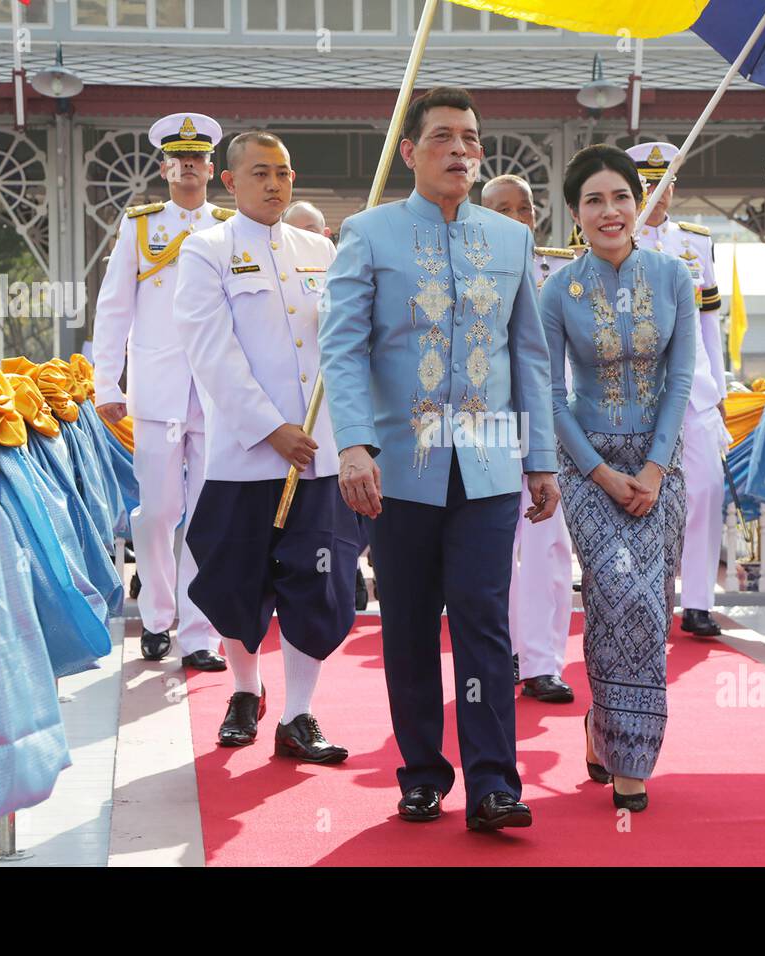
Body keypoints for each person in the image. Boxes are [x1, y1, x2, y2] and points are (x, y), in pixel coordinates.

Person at [319, 87, 560, 831]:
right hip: (400, 460)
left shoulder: (511, 241)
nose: (461, 151)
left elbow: (530, 355)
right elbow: (343, 348)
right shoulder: (367, 234)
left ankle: (495, 783)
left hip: (488, 461)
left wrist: (541, 457)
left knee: (484, 617)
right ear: (410, 151)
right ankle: (422, 771)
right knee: (411, 622)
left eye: (472, 139)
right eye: (444, 137)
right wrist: (354, 445)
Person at [174, 130, 358, 762]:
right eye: (259, 173)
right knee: (237, 581)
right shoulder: (206, 251)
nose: (275, 184)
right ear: (230, 182)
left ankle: (299, 714)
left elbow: (344, 342)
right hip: (246, 455)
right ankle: (245, 692)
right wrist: (269, 428)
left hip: (317, 454)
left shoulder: (321, 250)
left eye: (282, 172)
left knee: (318, 584)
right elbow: (211, 352)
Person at [541, 144, 696, 812]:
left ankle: (600, 727)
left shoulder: (673, 278)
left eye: (622, 197)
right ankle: (630, 759)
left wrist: (655, 468)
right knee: (620, 593)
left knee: (652, 607)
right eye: (595, 200)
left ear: (640, 205)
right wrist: (604, 475)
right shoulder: (556, 289)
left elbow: (682, 377)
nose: (611, 211)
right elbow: (547, 394)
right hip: (589, 464)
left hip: (662, 466)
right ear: (575, 214)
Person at [92, 112, 228, 671]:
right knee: (158, 512)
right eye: (179, 159)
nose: (189, 167)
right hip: (158, 386)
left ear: (212, 168)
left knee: (208, 514)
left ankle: (200, 634)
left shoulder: (228, 226)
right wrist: (106, 380)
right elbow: (114, 306)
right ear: (165, 166)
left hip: (218, 392)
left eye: (197, 159)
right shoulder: (141, 226)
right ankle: (155, 616)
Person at [480, 173, 575, 703]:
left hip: (546, 425)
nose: (517, 218)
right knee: (494, 546)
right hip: (485, 425)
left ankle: (542, 661)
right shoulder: (465, 270)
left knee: (548, 544)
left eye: (526, 208)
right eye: (502, 209)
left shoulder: (561, 274)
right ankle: (503, 652)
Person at [627, 141, 727, 638]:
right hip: (637, 389)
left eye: (664, 184)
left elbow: (712, 326)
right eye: (646, 184)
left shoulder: (696, 243)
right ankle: (642, 593)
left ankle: (699, 601)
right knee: (639, 493)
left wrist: (720, 392)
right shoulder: (608, 239)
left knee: (706, 487)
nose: (656, 194)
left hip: (694, 388)